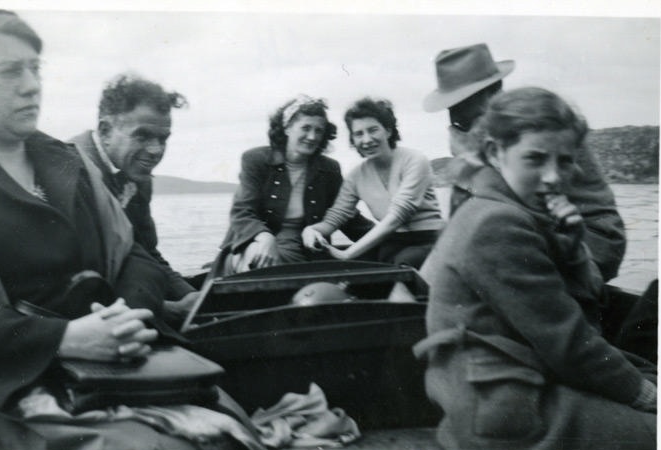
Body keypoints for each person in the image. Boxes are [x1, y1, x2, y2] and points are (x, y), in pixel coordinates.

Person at [0, 10, 259, 450]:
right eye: (10, 71)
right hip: (1, 387)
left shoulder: (68, 165)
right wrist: (64, 339)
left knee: (231, 432)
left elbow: (135, 257)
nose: (32, 85)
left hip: (116, 367)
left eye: (35, 68)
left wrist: (124, 321)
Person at [412, 87, 656, 450]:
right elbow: (568, 340)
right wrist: (644, 394)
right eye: (536, 159)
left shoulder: (509, 208)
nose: (554, 176)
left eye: (566, 161)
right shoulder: (497, 223)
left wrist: (573, 246)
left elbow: (587, 302)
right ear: (495, 153)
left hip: (508, 388)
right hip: (508, 411)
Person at [423, 43, 627, 282]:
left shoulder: (542, 128)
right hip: (538, 235)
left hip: (590, 243)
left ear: (492, 93)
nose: (454, 116)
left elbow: (503, 208)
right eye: (451, 106)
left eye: (461, 103)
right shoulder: (477, 135)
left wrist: (473, 163)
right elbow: (463, 221)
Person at [69, 75, 198, 325]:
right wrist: (166, 309)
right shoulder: (69, 173)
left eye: (163, 139)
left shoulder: (136, 175)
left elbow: (146, 251)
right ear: (105, 131)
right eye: (143, 136)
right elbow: (77, 282)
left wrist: (190, 296)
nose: (155, 151)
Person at [218, 95, 372, 274]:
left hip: (304, 246)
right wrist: (264, 236)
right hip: (256, 240)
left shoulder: (329, 169)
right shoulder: (256, 160)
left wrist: (390, 237)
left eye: (319, 130)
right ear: (287, 128)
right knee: (258, 259)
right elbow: (242, 212)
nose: (312, 136)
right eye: (305, 128)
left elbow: (347, 217)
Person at [302, 98, 444, 268]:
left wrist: (347, 253)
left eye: (373, 130)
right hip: (392, 243)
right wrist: (311, 230)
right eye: (359, 134)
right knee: (352, 271)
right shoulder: (356, 176)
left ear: (388, 131)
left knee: (404, 262)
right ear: (353, 140)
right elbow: (335, 217)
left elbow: (397, 216)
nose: (367, 140)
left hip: (429, 240)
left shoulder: (415, 160)